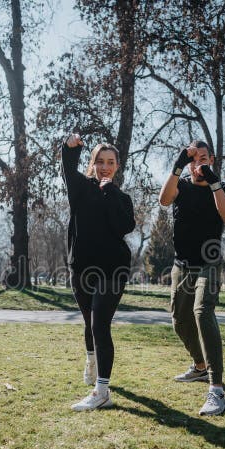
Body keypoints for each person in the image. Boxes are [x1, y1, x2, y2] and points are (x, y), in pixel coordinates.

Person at [159, 141, 225, 416]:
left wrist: (213, 183)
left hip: (210, 263)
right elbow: (164, 199)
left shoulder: (222, 188)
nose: (198, 164)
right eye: (193, 159)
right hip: (182, 263)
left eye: (203, 158)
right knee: (179, 320)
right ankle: (200, 367)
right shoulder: (181, 186)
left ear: (212, 160)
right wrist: (179, 164)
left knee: (202, 312)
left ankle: (216, 390)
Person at [61, 133, 136, 411]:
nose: (105, 166)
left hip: (113, 269)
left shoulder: (121, 197)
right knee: (88, 321)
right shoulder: (80, 188)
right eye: (100, 161)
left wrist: (110, 192)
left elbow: (124, 226)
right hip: (81, 266)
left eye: (111, 162)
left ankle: (102, 391)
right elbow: (68, 169)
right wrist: (69, 149)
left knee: (99, 324)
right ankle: (91, 358)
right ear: (92, 164)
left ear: (117, 166)